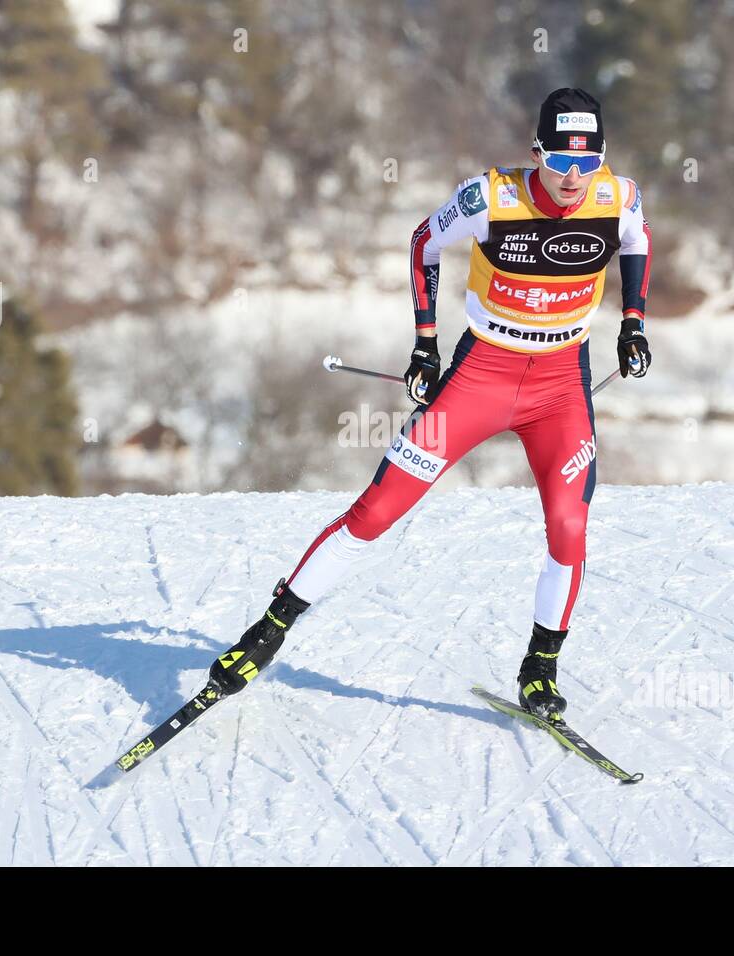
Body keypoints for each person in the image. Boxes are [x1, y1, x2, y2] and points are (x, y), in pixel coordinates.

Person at [206, 88, 652, 720]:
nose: (574, 179)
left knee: (570, 529)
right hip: (482, 375)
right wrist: (424, 345)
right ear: (537, 154)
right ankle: (267, 633)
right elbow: (424, 243)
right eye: (559, 164)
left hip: (560, 386)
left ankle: (539, 669)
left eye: (588, 163)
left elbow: (638, 243)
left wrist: (633, 321)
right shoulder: (490, 198)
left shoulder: (619, 196)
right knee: (376, 511)